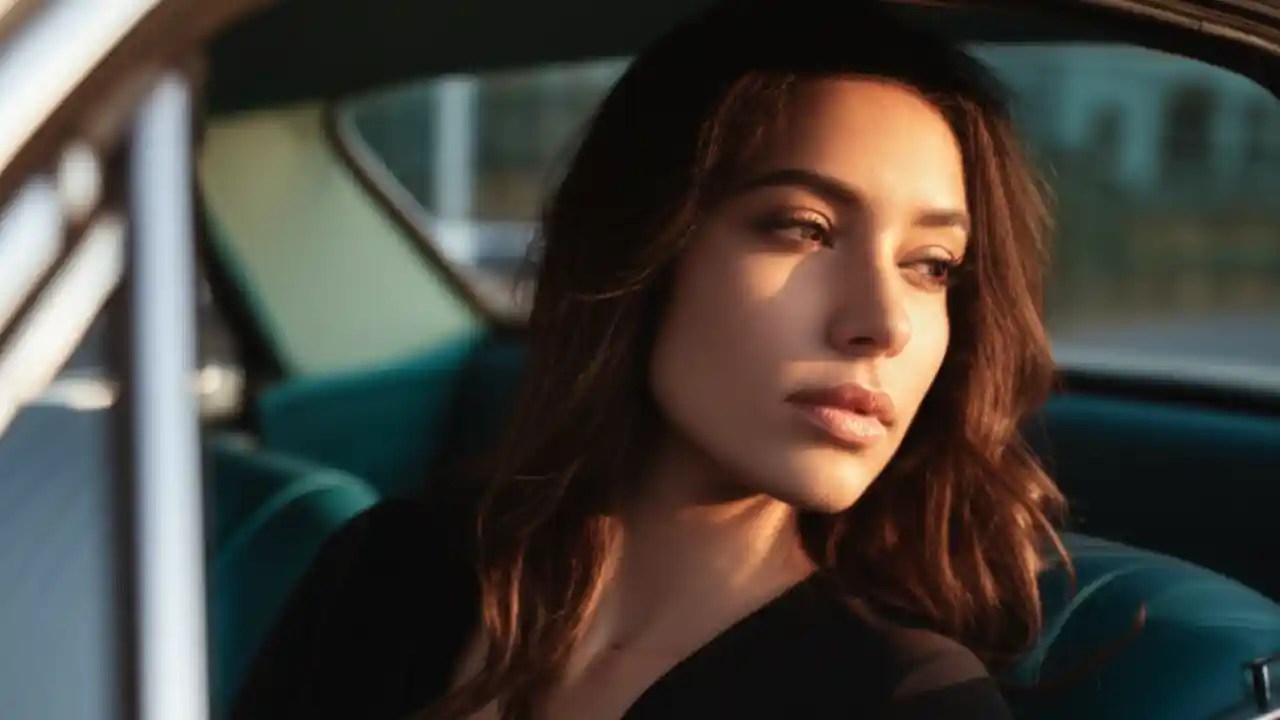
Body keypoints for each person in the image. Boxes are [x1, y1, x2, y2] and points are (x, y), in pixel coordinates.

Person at [232, 1, 1066, 718]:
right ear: (647, 246)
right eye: (804, 228)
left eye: (932, 266)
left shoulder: (907, 700)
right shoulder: (387, 574)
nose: (882, 322)